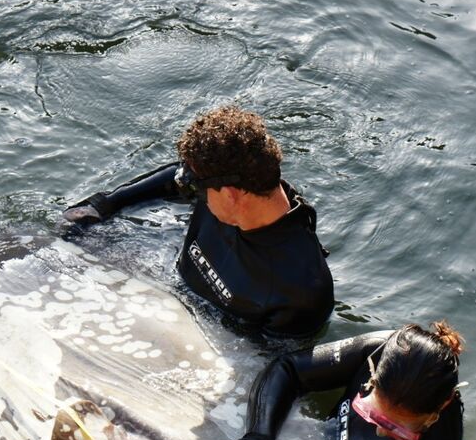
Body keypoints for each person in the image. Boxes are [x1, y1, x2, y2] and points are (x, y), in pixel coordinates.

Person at [63, 106, 333, 338]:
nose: (191, 191)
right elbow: (178, 179)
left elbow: (260, 363)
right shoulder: (233, 186)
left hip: (205, 324)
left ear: (229, 195)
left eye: (198, 188)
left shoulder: (301, 294)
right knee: (71, 237)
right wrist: (106, 204)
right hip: (166, 267)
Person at [192, 322, 466, 440]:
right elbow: (287, 369)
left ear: (440, 409)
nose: (380, 433)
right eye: (372, 414)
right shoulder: (381, 351)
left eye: (398, 429)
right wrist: (258, 438)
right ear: (373, 374)